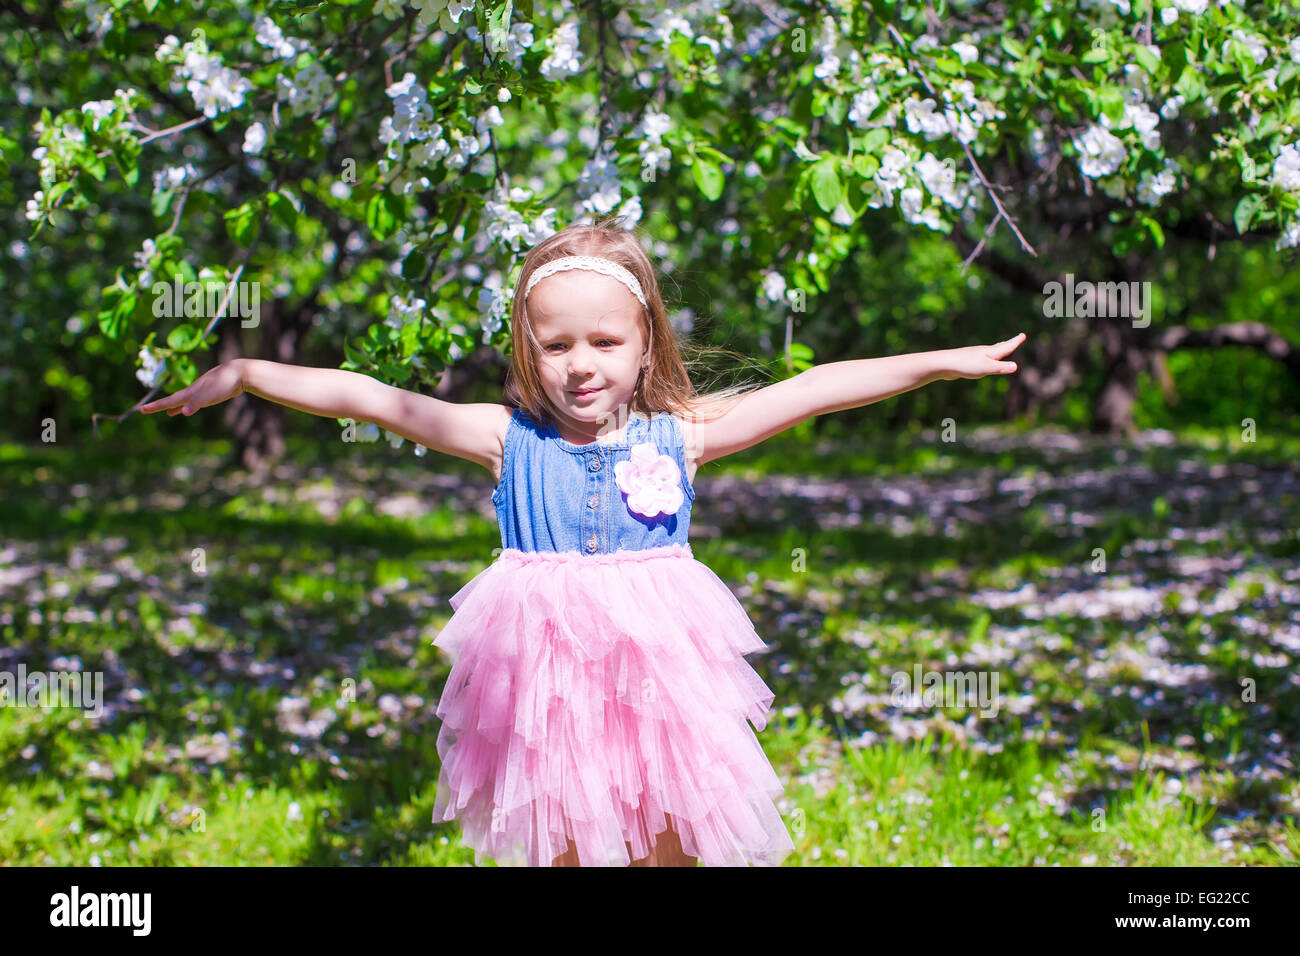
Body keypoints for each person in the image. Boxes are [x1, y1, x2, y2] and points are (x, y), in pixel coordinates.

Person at [141, 216, 1024, 866]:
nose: (581, 363)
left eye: (605, 340)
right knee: (565, 839)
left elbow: (818, 386)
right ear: (528, 348)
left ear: (646, 347)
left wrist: (940, 362)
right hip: (548, 691)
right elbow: (370, 396)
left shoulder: (681, 436)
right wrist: (246, 371)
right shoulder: (503, 437)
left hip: (659, 685)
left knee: (672, 836)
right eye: (555, 342)